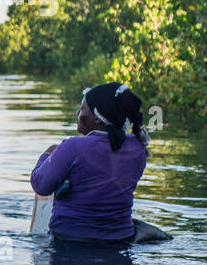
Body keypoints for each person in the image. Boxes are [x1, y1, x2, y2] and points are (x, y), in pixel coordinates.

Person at [30, 82, 150, 243]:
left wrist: (47, 155)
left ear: (99, 119)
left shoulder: (72, 147)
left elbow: (41, 185)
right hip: (120, 241)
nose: (79, 113)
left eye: (83, 109)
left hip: (69, 242)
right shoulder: (138, 148)